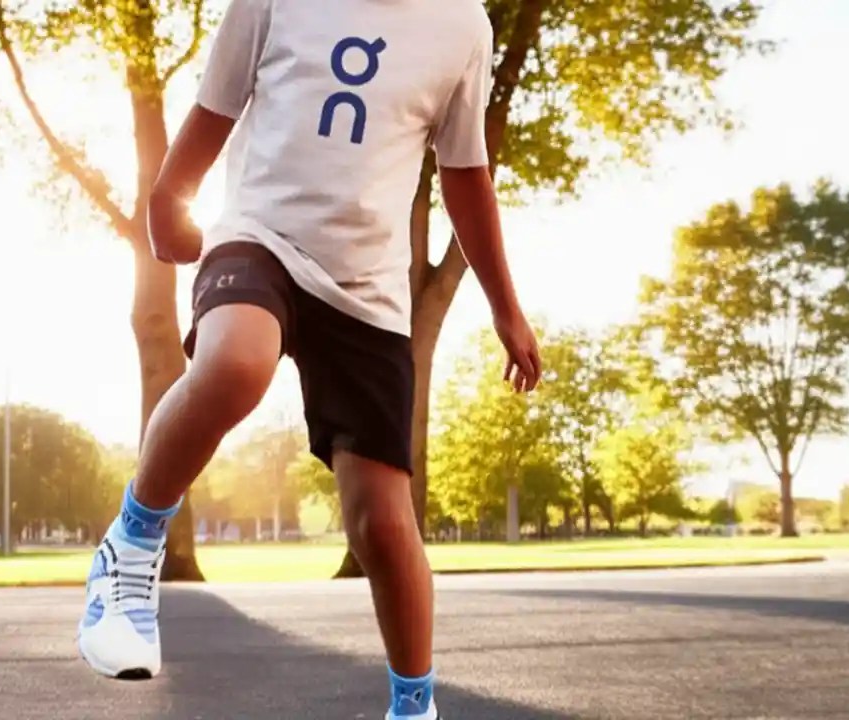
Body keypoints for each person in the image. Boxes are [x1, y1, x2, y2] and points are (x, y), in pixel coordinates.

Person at [76, 0, 541, 717]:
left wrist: (506, 308)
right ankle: (130, 551)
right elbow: (217, 102)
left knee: (383, 524)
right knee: (236, 362)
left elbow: (466, 175)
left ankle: (413, 706)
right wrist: (169, 194)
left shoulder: (463, 26)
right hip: (259, 238)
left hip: (367, 290)